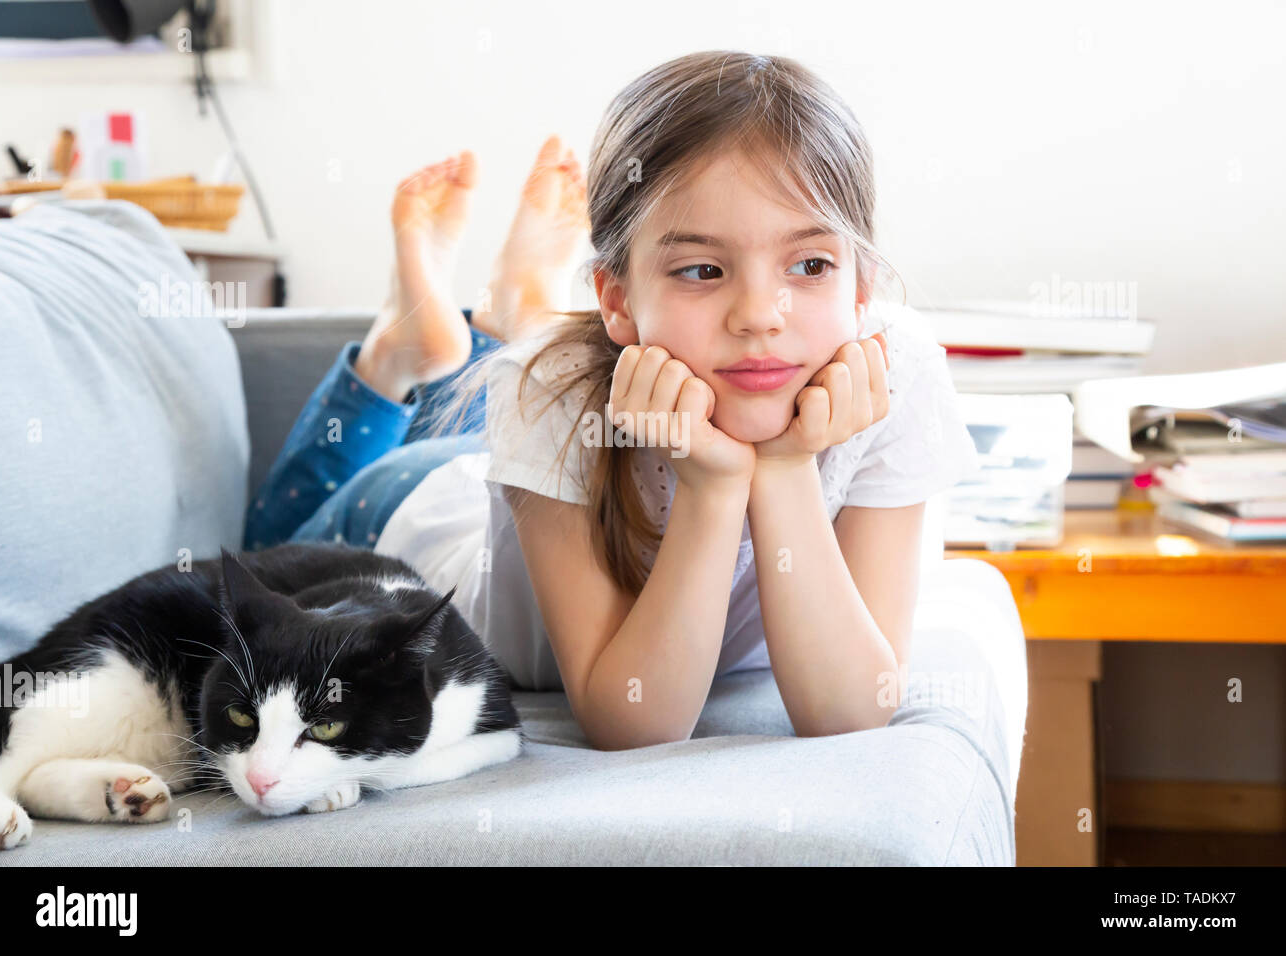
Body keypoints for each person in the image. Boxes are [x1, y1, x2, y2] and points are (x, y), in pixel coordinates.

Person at [246, 51, 978, 751]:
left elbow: (851, 710)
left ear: (860, 288)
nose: (761, 314)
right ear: (619, 300)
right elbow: (633, 721)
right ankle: (396, 355)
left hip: (561, 411)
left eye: (810, 264)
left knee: (539, 374)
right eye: (701, 270)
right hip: (421, 513)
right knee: (261, 553)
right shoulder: (548, 392)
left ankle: (522, 302)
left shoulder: (895, 371)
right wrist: (714, 484)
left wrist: (786, 472)